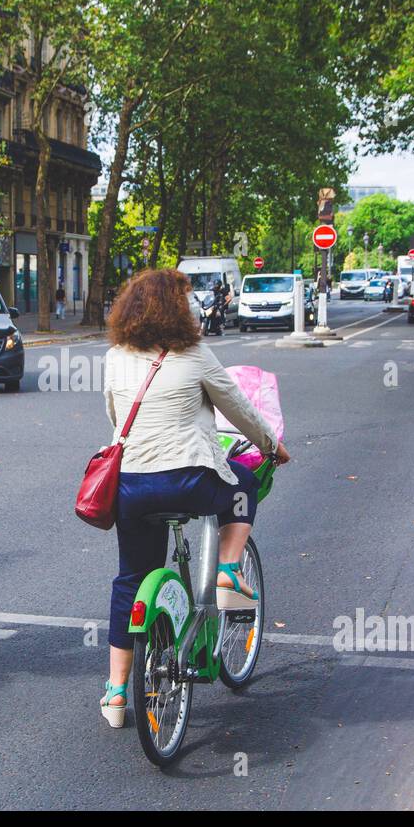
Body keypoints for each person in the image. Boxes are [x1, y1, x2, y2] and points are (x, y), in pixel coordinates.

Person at [98, 268, 290, 727]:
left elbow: (113, 413)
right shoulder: (196, 354)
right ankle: (227, 570)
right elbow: (238, 408)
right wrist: (270, 446)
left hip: (129, 486)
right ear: (176, 310)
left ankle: (116, 693)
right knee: (241, 484)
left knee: (131, 578)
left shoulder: (114, 355)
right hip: (188, 481)